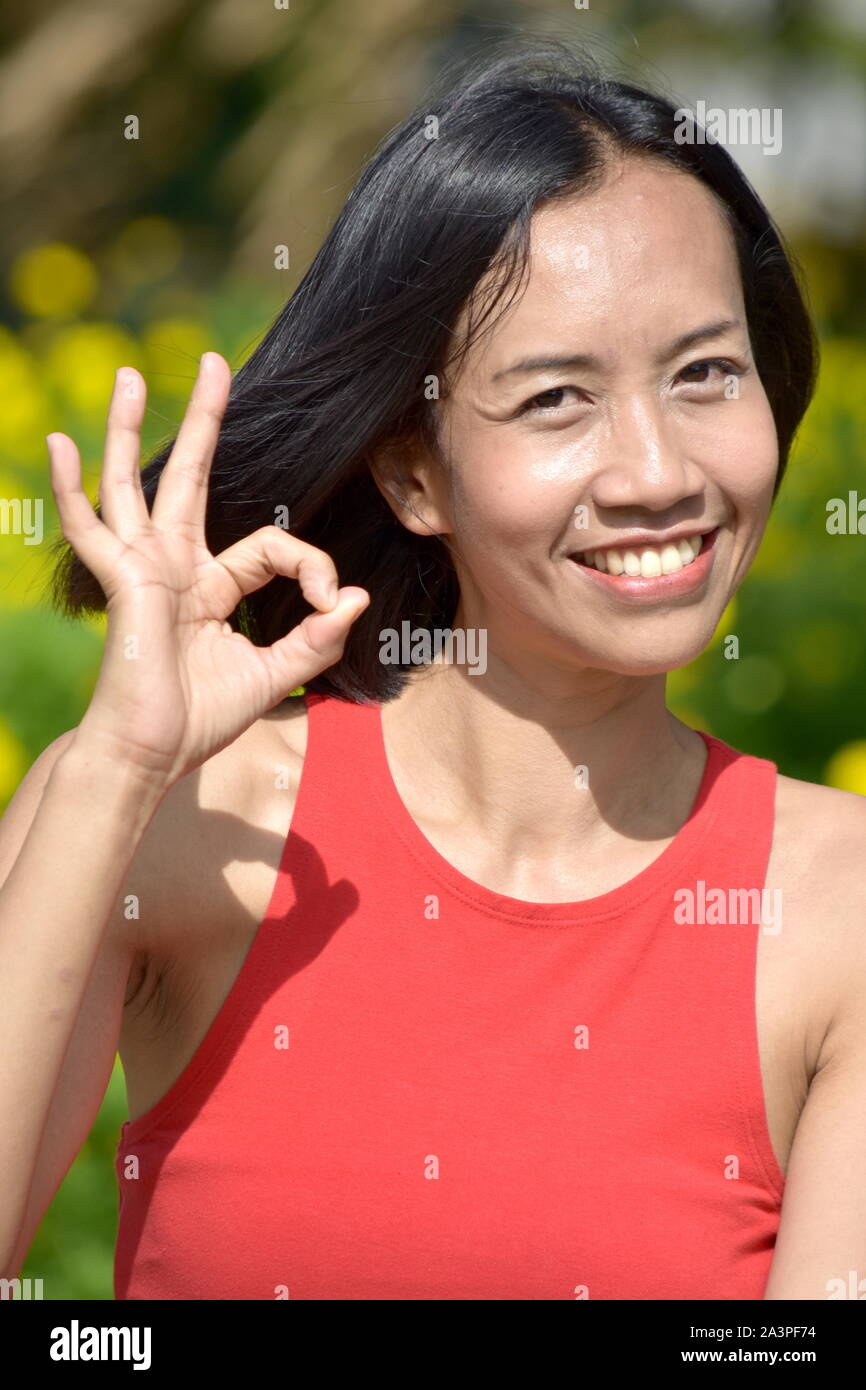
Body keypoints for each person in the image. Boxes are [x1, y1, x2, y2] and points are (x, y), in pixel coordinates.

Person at [1, 39, 864, 1302]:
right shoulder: (186, 826)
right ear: (411, 474)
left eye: (702, 374)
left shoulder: (834, 907)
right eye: (556, 398)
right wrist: (113, 767)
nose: (657, 471)